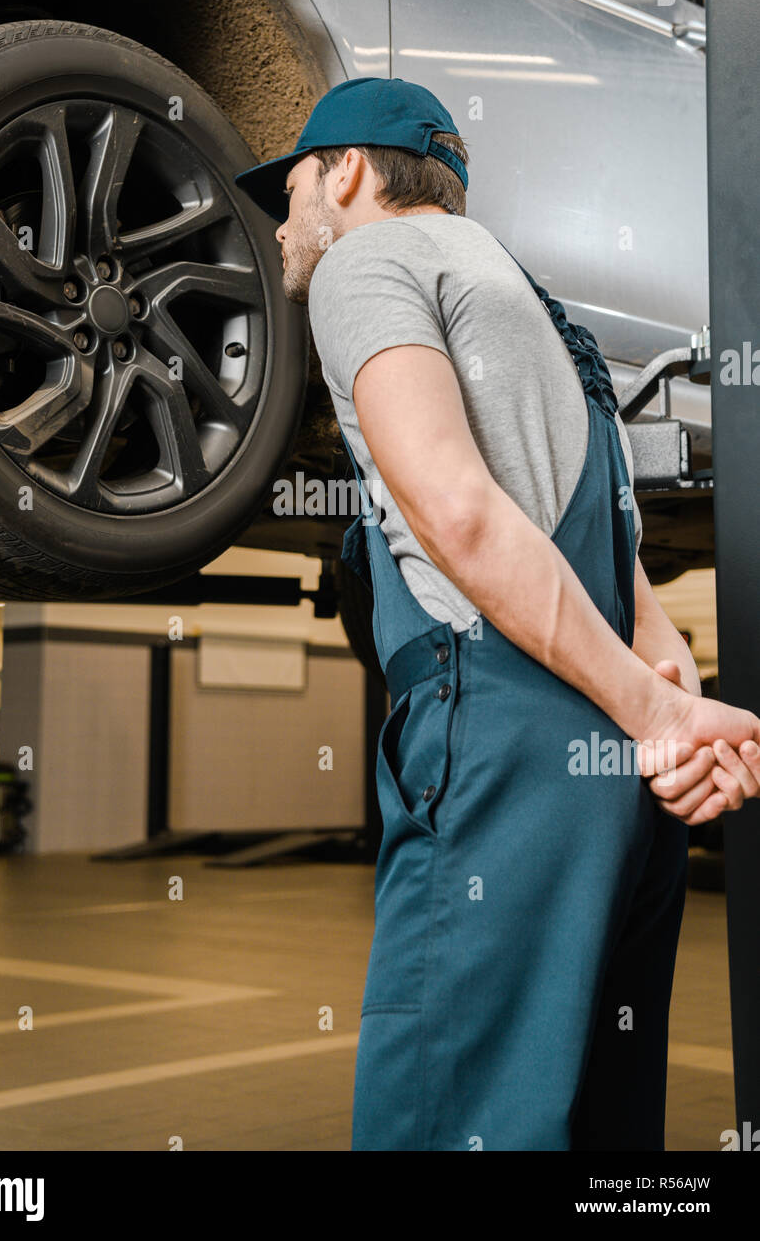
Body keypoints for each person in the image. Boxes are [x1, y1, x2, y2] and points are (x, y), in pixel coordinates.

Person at [233, 77, 760, 1151]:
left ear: (346, 171)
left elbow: (461, 513)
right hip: (611, 777)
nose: (283, 226)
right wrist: (672, 720)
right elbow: (636, 600)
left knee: (454, 1117)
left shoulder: (368, 262)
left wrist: (662, 724)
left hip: (504, 740)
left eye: (288, 191)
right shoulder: (538, 308)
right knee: (600, 1130)